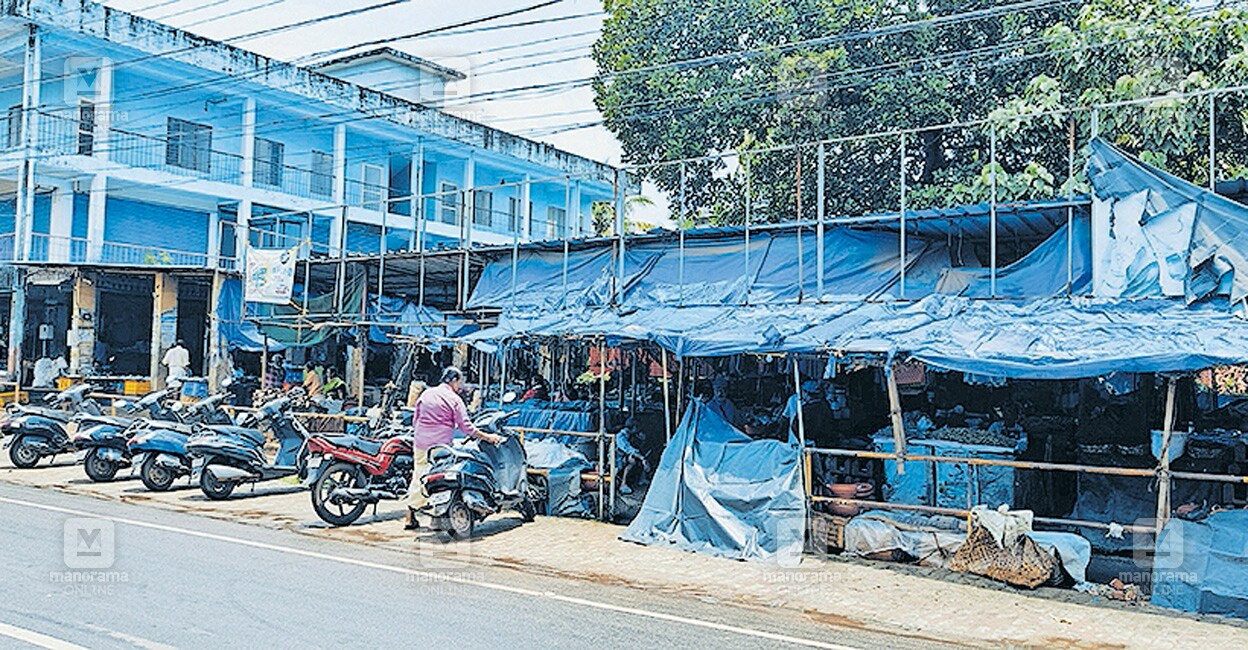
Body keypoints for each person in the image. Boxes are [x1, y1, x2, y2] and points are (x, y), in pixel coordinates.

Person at [405, 367, 504, 530]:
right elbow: (466, 427)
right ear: (453, 380)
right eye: (460, 382)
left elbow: (416, 419)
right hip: (440, 446)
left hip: (420, 443)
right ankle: (436, 520)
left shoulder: (426, 394)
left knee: (419, 475)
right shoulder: (454, 399)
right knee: (439, 479)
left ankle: (409, 517)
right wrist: (488, 437)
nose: (461, 385)